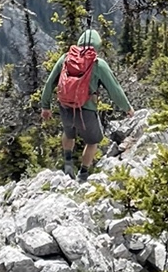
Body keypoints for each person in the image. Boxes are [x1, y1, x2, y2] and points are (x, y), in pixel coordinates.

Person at [39, 29, 134, 181]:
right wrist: (127, 108)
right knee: (92, 142)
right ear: (97, 45)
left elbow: (50, 82)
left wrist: (45, 106)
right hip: (86, 110)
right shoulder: (98, 64)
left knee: (68, 133)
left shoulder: (65, 58)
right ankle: (82, 175)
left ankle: (68, 164)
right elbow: (114, 89)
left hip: (65, 106)